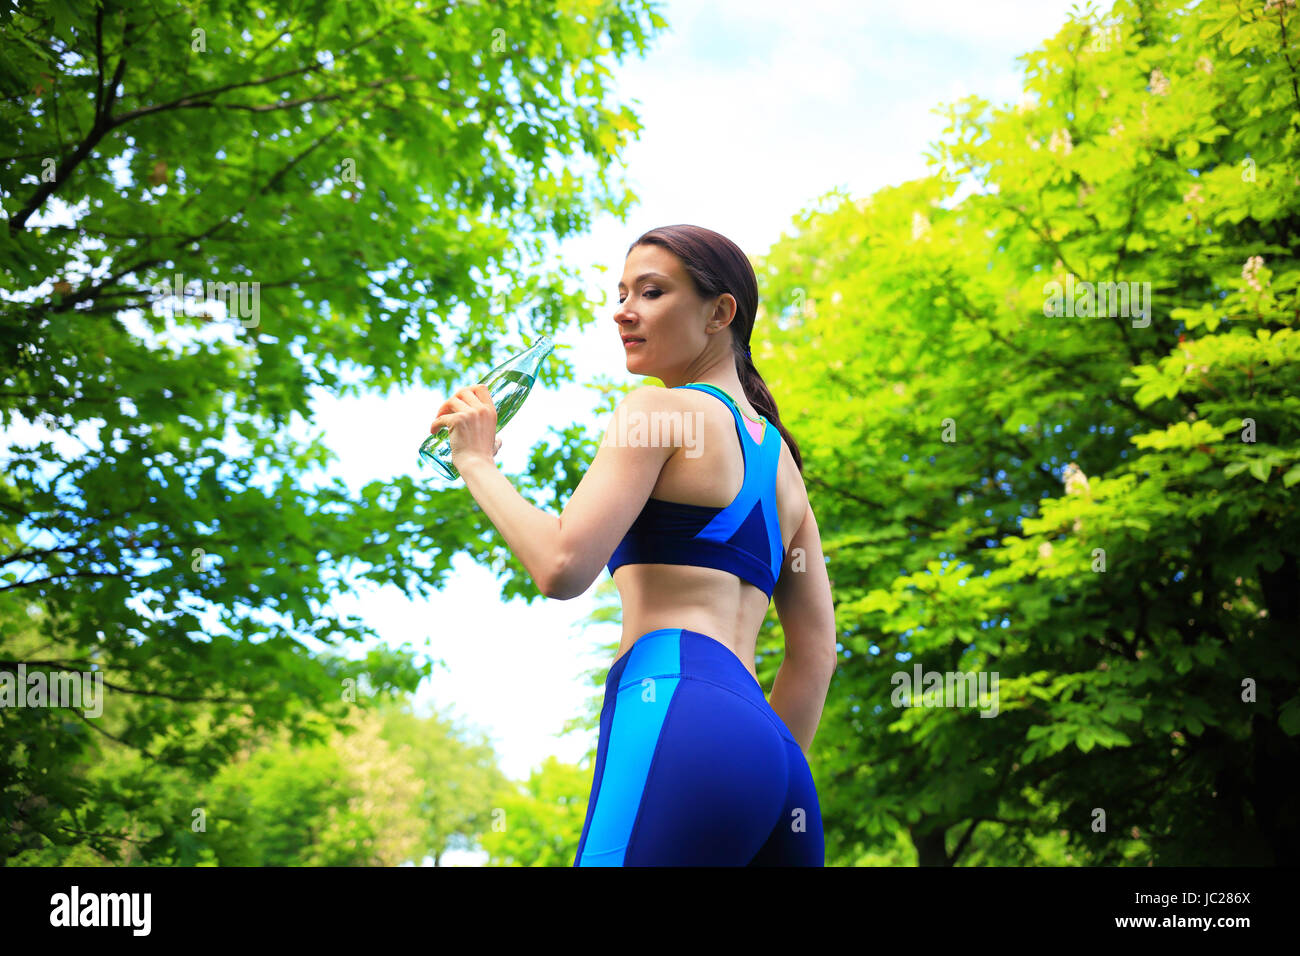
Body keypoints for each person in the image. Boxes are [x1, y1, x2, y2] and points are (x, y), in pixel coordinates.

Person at [430, 224, 837, 866]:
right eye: (621, 293)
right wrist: (752, 759)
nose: (623, 311)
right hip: (778, 763)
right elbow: (816, 655)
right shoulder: (787, 470)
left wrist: (476, 461)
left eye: (650, 292)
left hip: (677, 703)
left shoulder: (657, 412)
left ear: (719, 312)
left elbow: (562, 565)